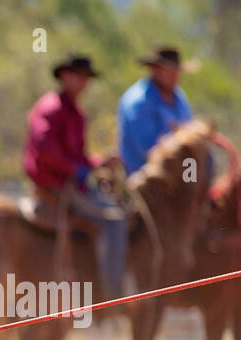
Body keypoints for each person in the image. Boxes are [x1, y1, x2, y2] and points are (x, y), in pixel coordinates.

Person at [23, 54, 126, 300]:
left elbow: (77, 156)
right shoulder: (51, 108)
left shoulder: (76, 113)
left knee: (120, 207)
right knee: (114, 220)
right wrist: (76, 170)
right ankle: (113, 295)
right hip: (56, 186)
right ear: (64, 76)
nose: (82, 82)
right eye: (78, 76)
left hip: (69, 182)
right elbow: (45, 150)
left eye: (86, 77)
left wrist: (99, 162)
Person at [118, 47, 193, 176]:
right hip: (144, 179)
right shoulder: (138, 102)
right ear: (155, 70)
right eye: (168, 69)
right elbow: (148, 150)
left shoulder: (179, 98)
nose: (174, 74)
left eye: (176, 70)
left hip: (177, 176)